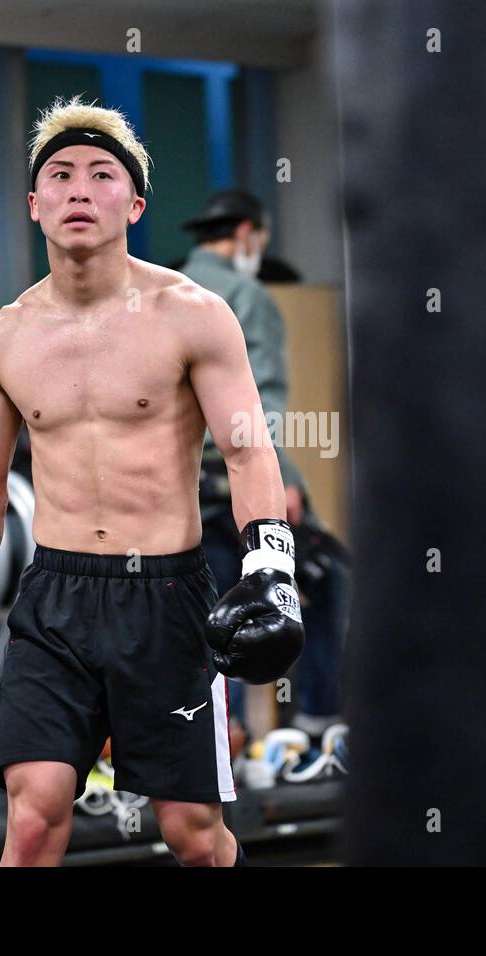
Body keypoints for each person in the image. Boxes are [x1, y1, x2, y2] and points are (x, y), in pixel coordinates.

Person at [0, 95, 305, 867]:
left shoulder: (193, 315)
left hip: (166, 601)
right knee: (32, 815)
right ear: (35, 205)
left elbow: (247, 451)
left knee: (193, 834)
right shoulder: (4, 339)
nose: (80, 191)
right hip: (54, 599)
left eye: (102, 175)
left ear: (134, 201)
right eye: (59, 176)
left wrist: (271, 571)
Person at [177, 190, 347, 740]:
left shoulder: (163, 288)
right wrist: (287, 484)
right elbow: (262, 405)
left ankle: (213, 732)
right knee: (329, 581)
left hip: (172, 493)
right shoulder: (246, 296)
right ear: (249, 234)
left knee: (199, 614)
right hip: (233, 485)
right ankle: (317, 726)